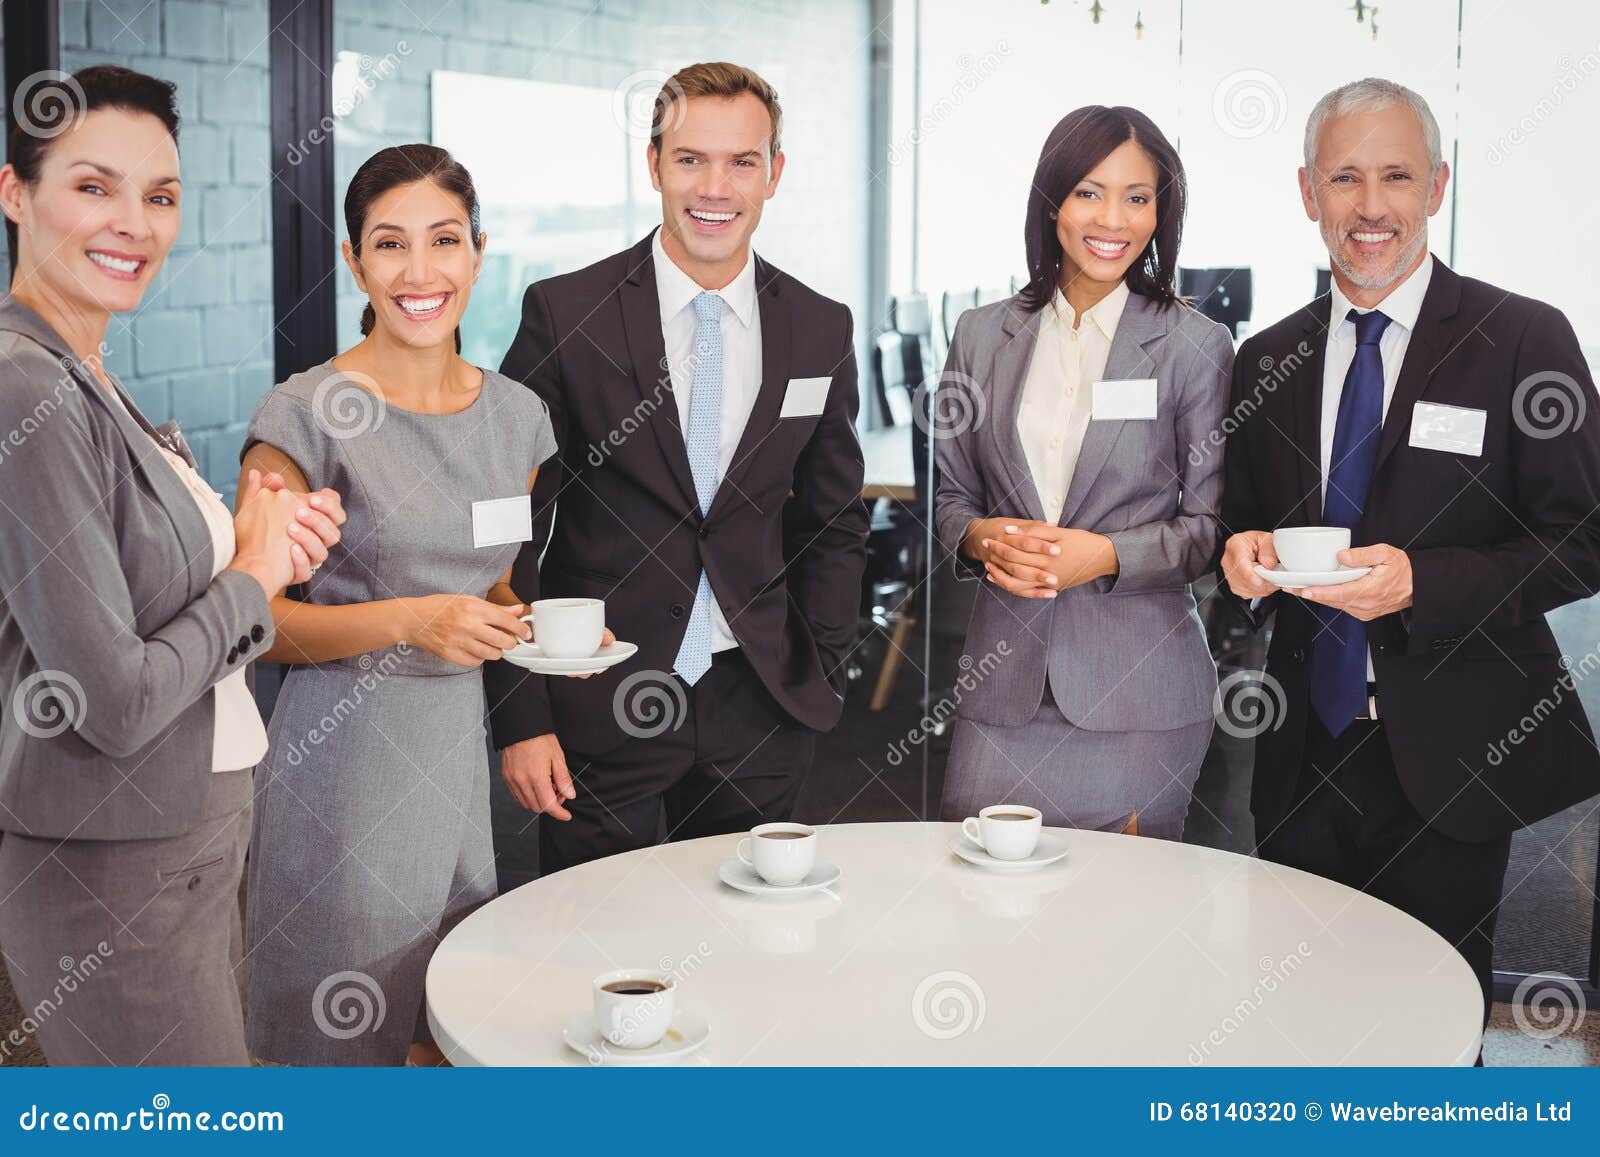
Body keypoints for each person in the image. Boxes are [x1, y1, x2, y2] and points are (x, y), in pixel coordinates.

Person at [1218, 77, 1600, 1024]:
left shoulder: (1521, 338)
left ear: (1437, 185)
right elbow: (1239, 523)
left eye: (1397, 175)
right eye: (1345, 178)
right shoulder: (1267, 359)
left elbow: (1586, 537)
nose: (1372, 206)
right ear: (1308, 192)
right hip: (1301, 754)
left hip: (1454, 753)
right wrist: (1241, 556)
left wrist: (1423, 582)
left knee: (1430, 1029)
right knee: (1300, 1026)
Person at [0, 66, 340, 1065]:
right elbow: (108, 696)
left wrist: (252, 548)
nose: (134, 224)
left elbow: (160, 620)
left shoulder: (89, 375)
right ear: (14, 192)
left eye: (160, 196)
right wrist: (252, 578)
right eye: (94, 187)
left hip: (181, 840)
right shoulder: (28, 389)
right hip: (115, 867)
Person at [239, 145, 590, 1066]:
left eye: (443, 240)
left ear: (478, 251)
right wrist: (410, 618)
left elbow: (493, 576)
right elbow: (252, 618)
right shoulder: (305, 413)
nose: (420, 271)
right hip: (341, 759)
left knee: (446, 1025)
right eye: (390, 244)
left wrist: (547, 631)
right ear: (355, 262)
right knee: (335, 1040)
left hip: (455, 760)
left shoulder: (518, 417)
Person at [485, 62, 869, 875]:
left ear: (775, 174)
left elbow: (832, 521)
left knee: (747, 947)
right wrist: (521, 713)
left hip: (760, 699)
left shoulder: (818, 327)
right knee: (590, 944)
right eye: (691, 158)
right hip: (600, 691)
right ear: (654, 164)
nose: (715, 186)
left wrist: (820, 671)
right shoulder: (566, 312)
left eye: (742, 161)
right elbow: (510, 519)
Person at [934, 106, 1233, 839]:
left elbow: (1209, 528)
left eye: (1139, 197)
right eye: (1090, 192)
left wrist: (1102, 555)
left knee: (1118, 932)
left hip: (1140, 695)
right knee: (980, 904)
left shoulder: (1196, 345)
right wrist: (979, 539)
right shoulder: (981, 334)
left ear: (1162, 214)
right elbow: (949, 497)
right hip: (1000, 686)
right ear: (1053, 201)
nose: (1114, 219)